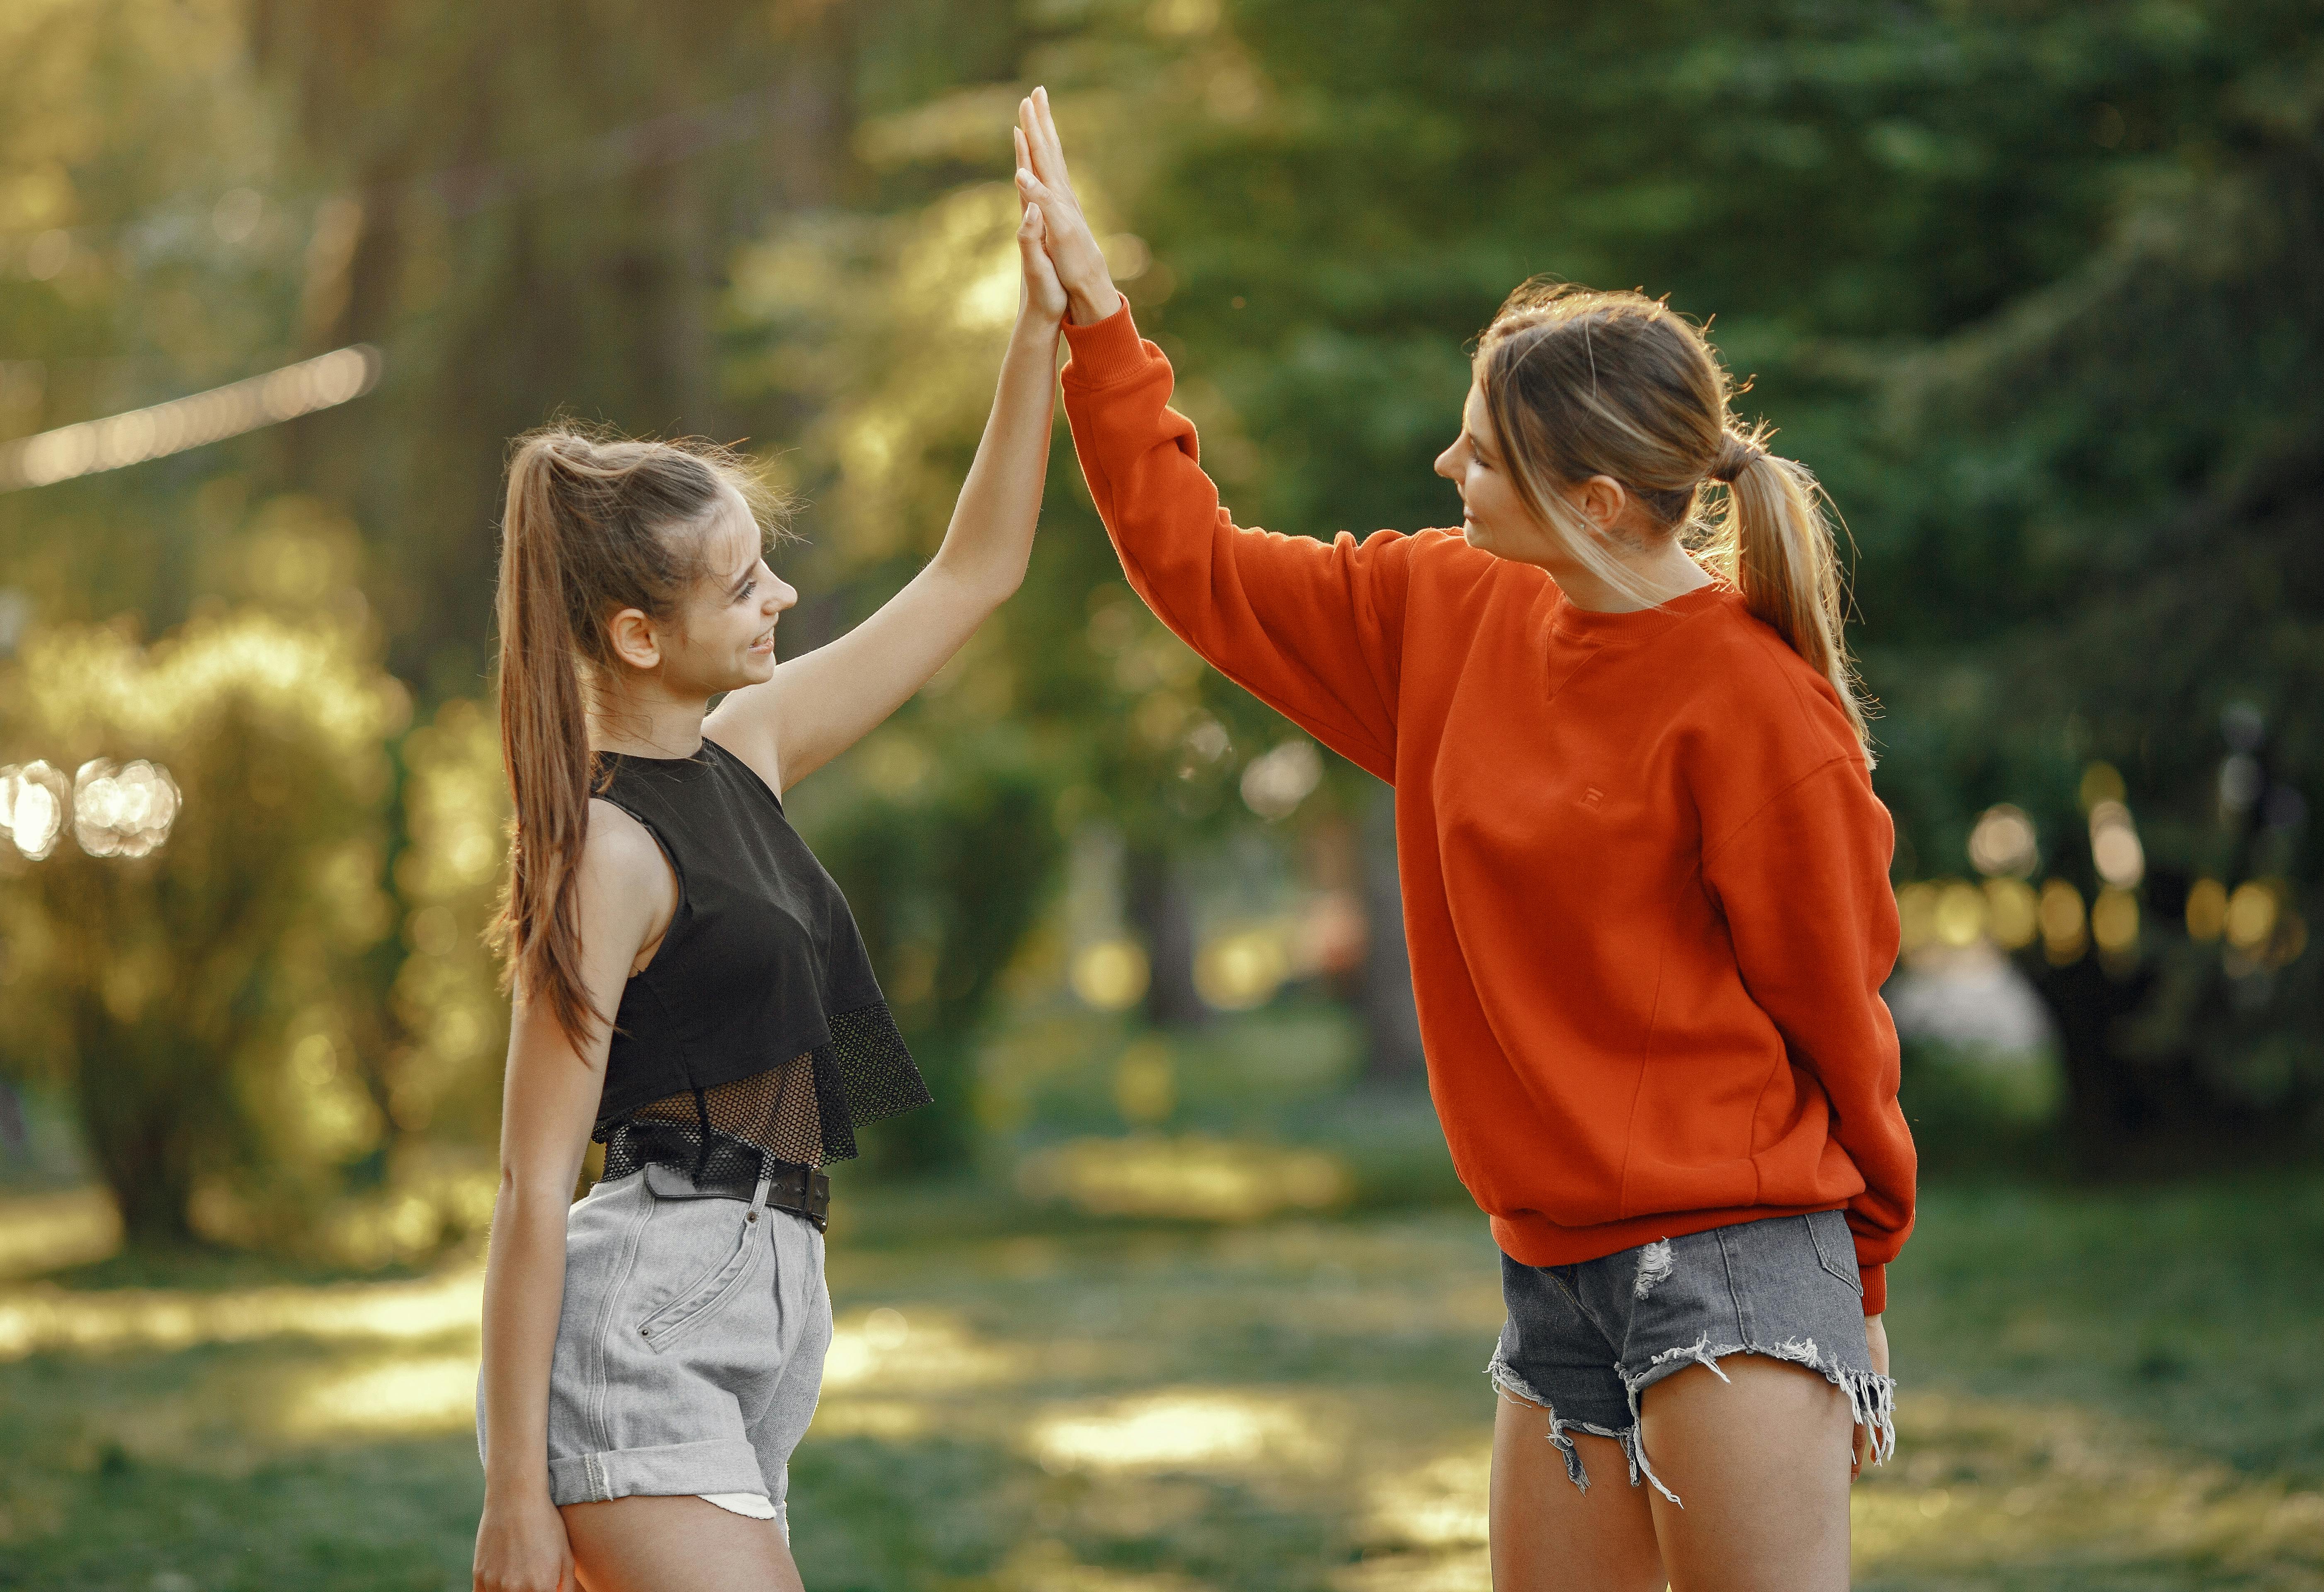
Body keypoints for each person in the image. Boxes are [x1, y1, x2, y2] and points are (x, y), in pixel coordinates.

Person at [1014, 87, 1915, 1592]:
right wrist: (1102, 321)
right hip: (1552, 1270)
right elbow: (1198, 566)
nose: (1447, 467)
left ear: (1598, 502)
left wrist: (1863, 1281)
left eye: (1483, 454)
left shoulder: (1762, 712)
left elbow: (1840, 1014)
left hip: (1742, 1259)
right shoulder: (1442, 605)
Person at [469, 154, 1069, 1592]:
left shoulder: (747, 749)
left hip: (770, 1307)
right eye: (742, 586)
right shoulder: (607, 856)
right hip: (648, 1325)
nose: (780, 597)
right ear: (636, 636)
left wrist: (1037, 329)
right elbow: (532, 1185)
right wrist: (513, 1497)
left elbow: (973, 575)